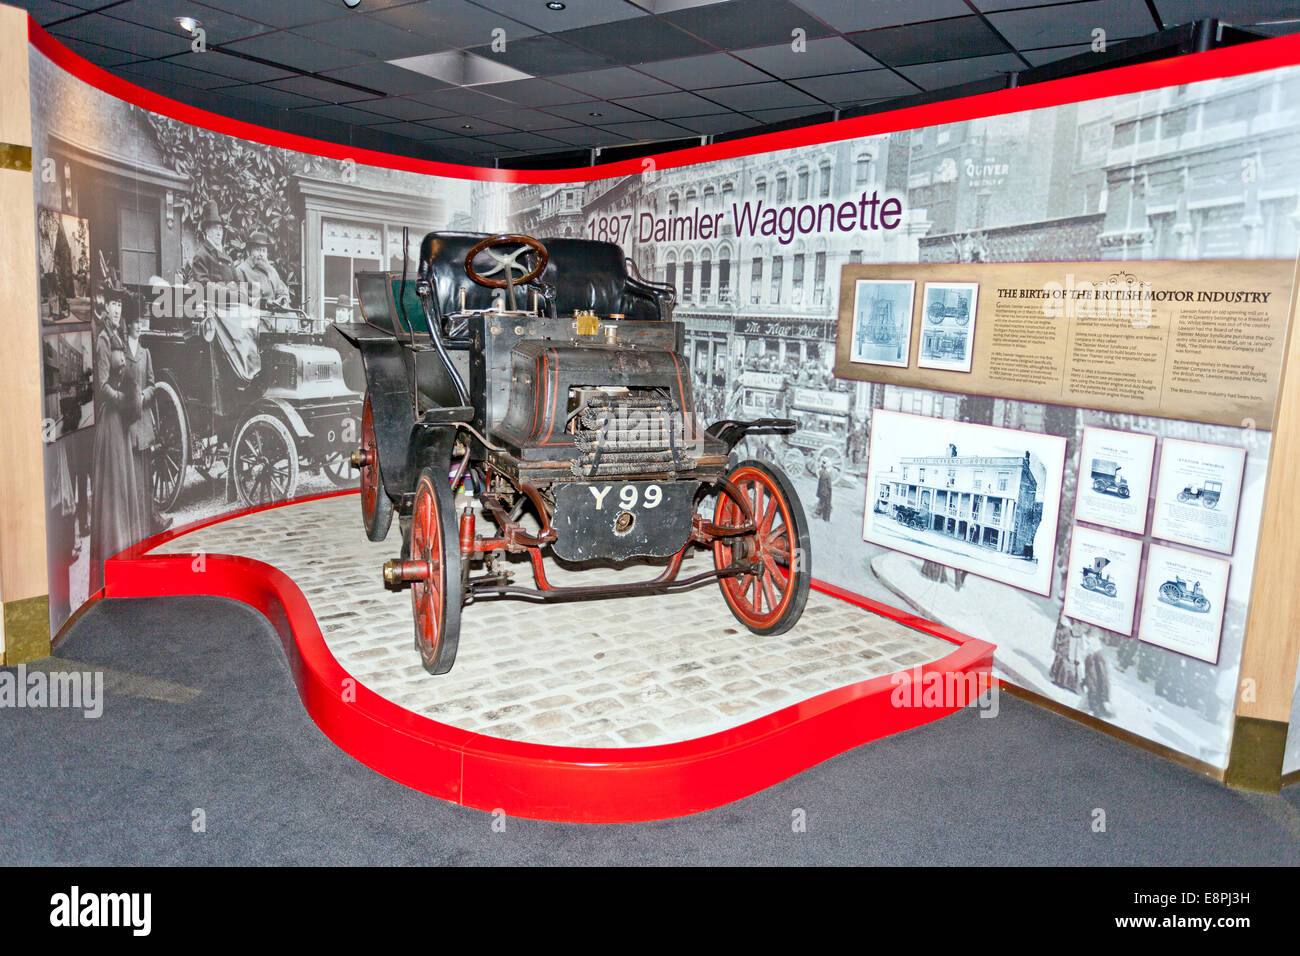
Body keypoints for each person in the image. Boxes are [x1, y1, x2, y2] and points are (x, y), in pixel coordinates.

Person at [89, 288, 150, 593]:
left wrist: (131, 398)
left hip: (121, 421)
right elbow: (101, 386)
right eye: (111, 305)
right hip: (110, 420)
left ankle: (125, 563)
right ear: (105, 309)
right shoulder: (103, 339)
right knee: (114, 492)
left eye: (118, 306)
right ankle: (111, 561)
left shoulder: (117, 336)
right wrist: (123, 399)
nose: (115, 310)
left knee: (124, 490)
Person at [235, 228, 291, 308]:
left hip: (275, 313)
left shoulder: (271, 270)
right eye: (257, 250)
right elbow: (241, 299)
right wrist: (265, 303)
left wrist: (283, 300)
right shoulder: (241, 270)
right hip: (255, 314)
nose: (261, 254)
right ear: (248, 252)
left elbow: (282, 291)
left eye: (264, 251)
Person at [190, 200, 237, 286]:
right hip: (215, 298)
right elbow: (204, 285)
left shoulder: (226, 256)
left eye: (220, 229)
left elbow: (238, 281)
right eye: (215, 228)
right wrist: (227, 290)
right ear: (207, 231)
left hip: (231, 297)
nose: (219, 233)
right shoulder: (201, 255)